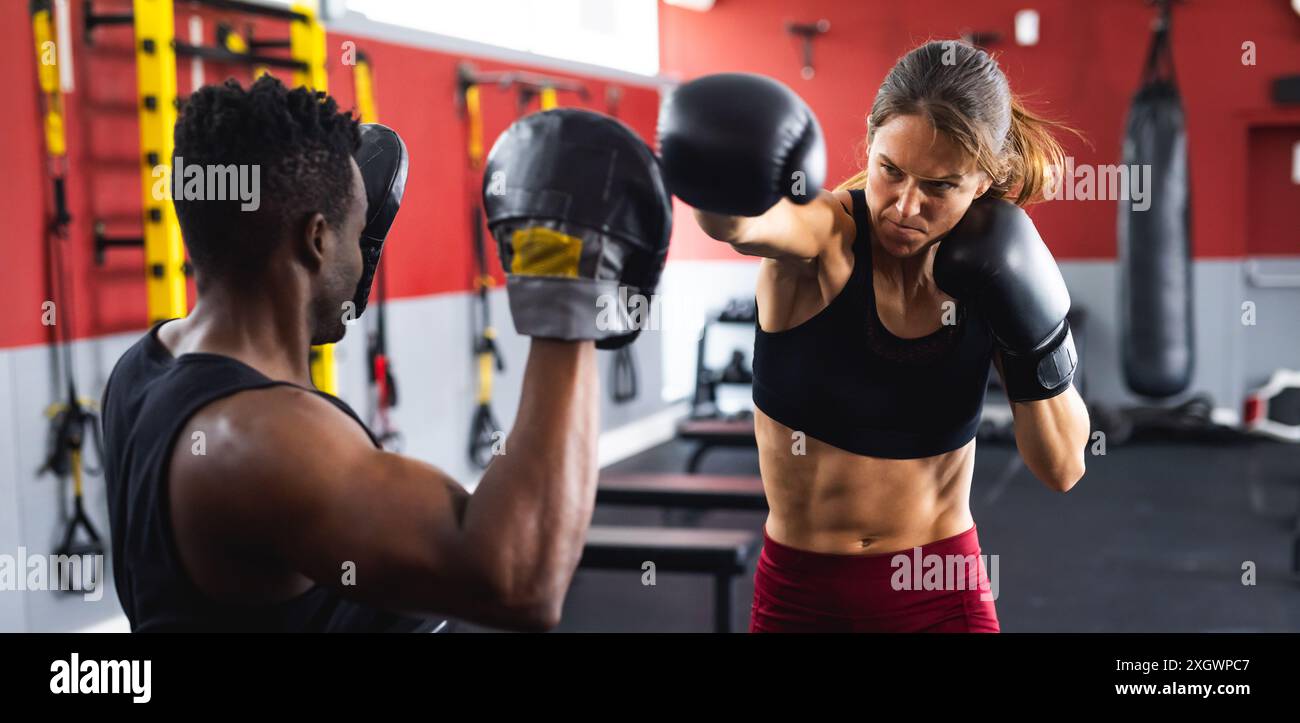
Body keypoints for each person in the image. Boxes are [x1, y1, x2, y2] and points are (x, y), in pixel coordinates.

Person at [99, 76, 667, 631]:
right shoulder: (262, 442)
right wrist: (564, 296)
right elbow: (520, 580)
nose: (364, 253)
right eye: (357, 230)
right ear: (316, 240)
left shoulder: (145, 366)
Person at [658, 40, 1091, 632]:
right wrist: (719, 166)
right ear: (871, 139)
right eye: (891, 170)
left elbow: (1063, 467)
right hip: (804, 597)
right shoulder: (825, 241)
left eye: (940, 187)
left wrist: (1034, 333)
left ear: (988, 180)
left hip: (942, 590)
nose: (905, 207)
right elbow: (742, 225)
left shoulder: (993, 268)